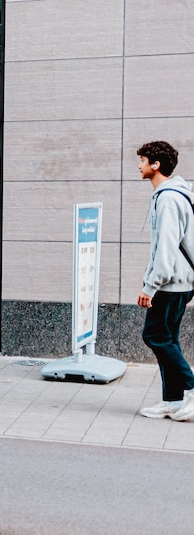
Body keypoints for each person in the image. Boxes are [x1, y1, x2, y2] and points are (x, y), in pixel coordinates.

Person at [134, 141, 194, 420]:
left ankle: (191, 389)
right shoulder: (170, 195)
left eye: (143, 160)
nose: (139, 165)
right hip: (180, 281)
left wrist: (150, 286)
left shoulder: (168, 198)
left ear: (156, 165)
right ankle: (172, 400)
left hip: (170, 283)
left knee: (155, 336)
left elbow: (167, 248)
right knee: (167, 338)